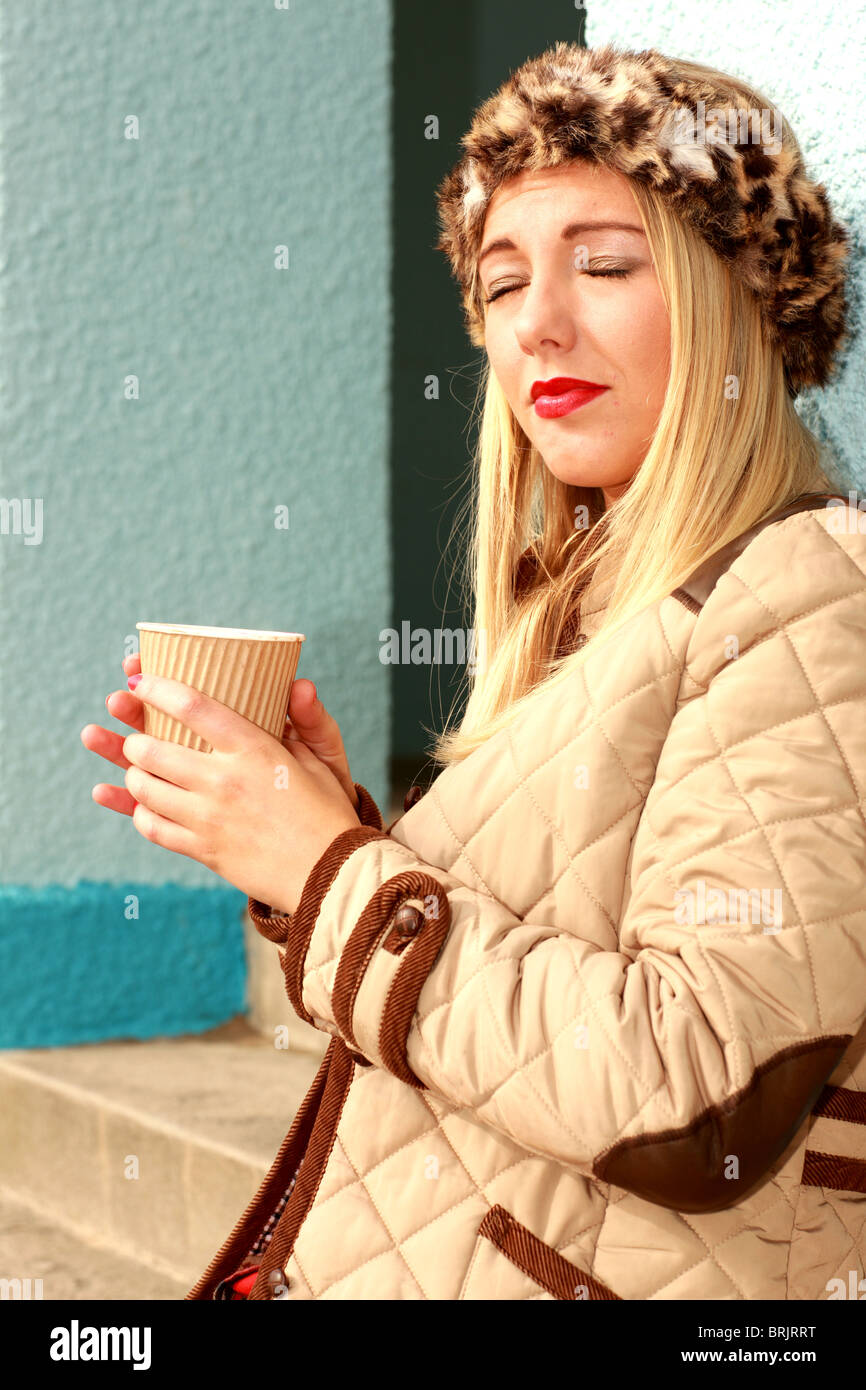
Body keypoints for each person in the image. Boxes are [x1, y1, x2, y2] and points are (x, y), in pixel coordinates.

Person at [81, 42, 866, 1301]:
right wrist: (323, 830)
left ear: (738, 298)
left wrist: (328, 871)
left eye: (605, 265)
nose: (538, 322)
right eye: (502, 287)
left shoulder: (815, 596)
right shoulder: (604, 607)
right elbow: (542, 967)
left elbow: (697, 1097)